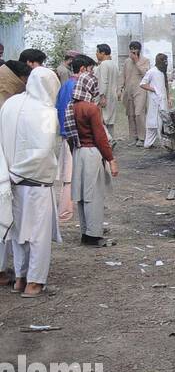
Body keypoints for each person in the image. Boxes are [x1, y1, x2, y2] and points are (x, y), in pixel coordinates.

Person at [0, 66, 62, 297]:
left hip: (10, 180)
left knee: (18, 231)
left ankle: (20, 277)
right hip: (35, 181)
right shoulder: (46, 111)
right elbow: (44, 149)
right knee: (38, 234)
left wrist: (10, 172)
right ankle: (35, 281)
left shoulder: (10, 105)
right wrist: (22, 171)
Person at [69, 69, 119, 247]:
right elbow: (101, 137)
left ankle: (85, 231)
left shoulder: (72, 106)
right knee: (94, 196)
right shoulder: (91, 108)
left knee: (82, 195)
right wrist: (111, 159)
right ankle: (93, 235)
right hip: (91, 153)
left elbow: (69, 135)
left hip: (78, 151)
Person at [56, 55, 95, 223]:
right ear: (83, 69)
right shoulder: (76, 86)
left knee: (70, 174)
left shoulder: (65, 85)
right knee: (70, 175)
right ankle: (66, 211)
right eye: (90, 70)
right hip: (76, 136)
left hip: (68, 134)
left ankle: (69, 209)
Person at [139, 53, 170, 148]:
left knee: (163, 122)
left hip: (163, 101)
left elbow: (166, 86)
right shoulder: (152, 71)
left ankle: (164, 143)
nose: (165, 63)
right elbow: (142, 84)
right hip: (154, 101)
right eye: (163, 61)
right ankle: (148, 143)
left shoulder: (163, 72)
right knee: (153, 122)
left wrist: (169, 98)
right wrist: (154, 90)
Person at [121, 41, 149, 145]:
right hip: (129, 90)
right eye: (131, 49)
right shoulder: (127, 62)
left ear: (139, 50)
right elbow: (123, 76)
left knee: (139, 113)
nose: (133, 51)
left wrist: (137, 61)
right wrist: (120, 89)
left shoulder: (145, 60)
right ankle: (133, 137)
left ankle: (142, 138)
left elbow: (146, 74)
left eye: (135, 49)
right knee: (130, 114)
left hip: (140, 90)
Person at [93, 44, 121, 135]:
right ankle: (110, 139)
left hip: (105, 95)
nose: (96, 54)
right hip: (113, 95)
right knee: (110, 120)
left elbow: (103, 81)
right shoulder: (114, 64)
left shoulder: (104, 64)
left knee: (102, 119)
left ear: (103, 53)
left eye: (97, 52)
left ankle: (107, 140)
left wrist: (102, 96)